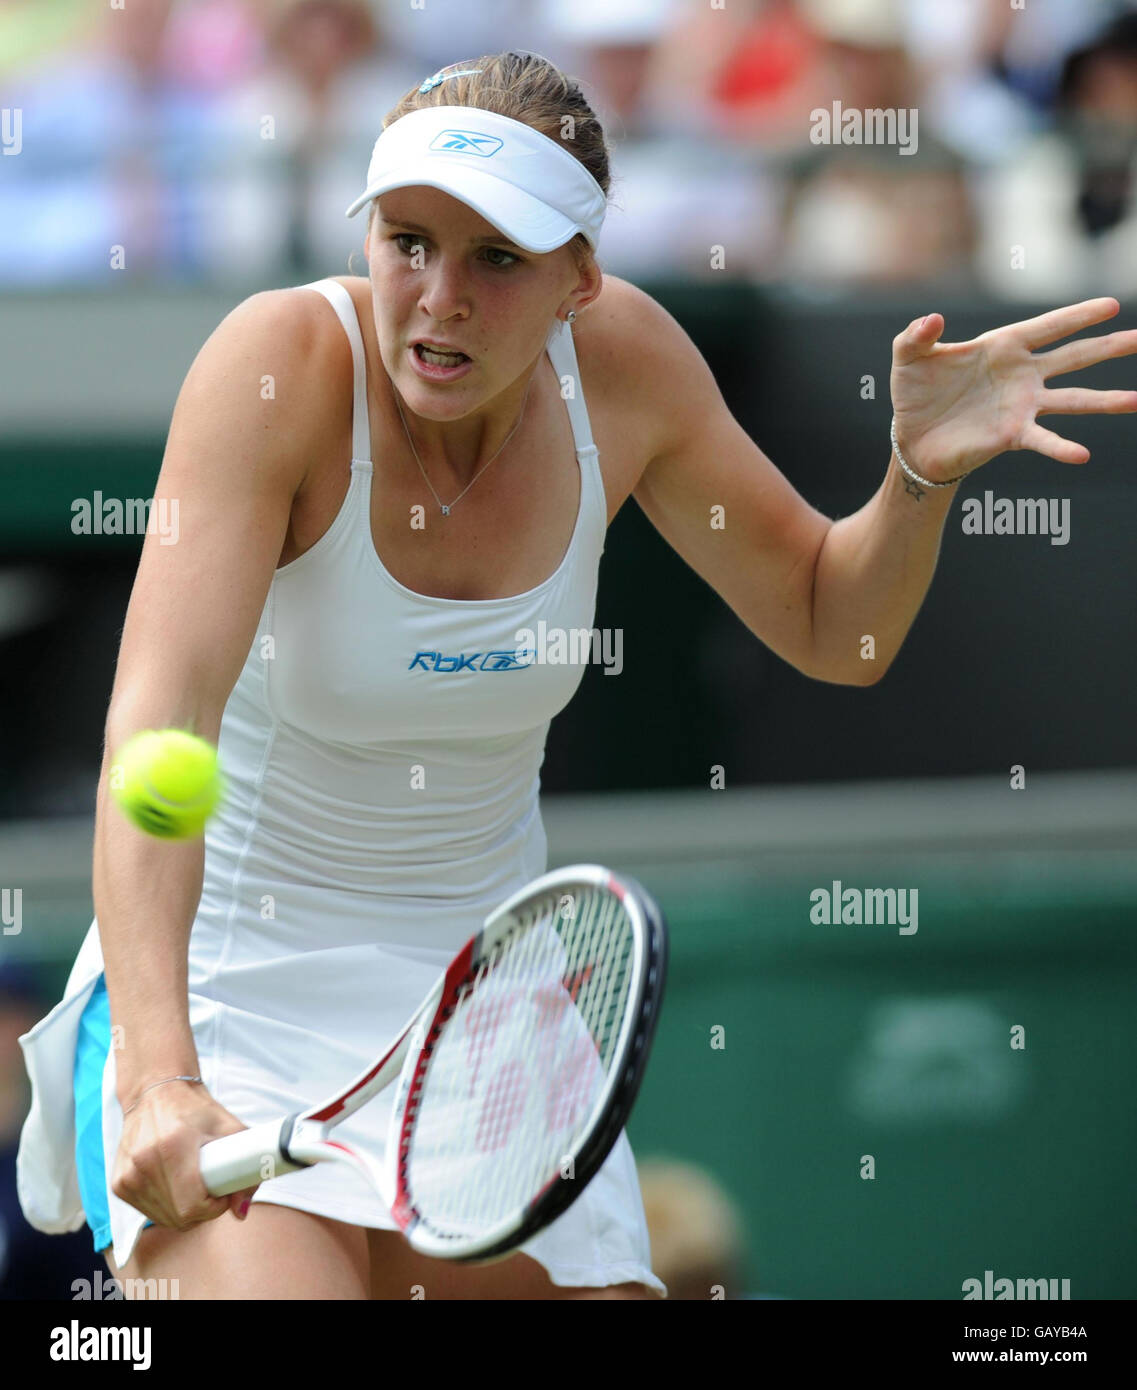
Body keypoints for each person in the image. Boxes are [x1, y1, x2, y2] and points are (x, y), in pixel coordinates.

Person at [15, 50, 1137, 1301]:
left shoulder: (628, 368)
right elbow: (154, 732)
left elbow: (839, 630)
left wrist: (915, 477)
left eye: (497, 259)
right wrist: (160, 1073)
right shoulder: (275, 368)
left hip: (477, 1023)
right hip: (228, 1000)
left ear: (579, 279)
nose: (438, 297)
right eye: (407, 242)